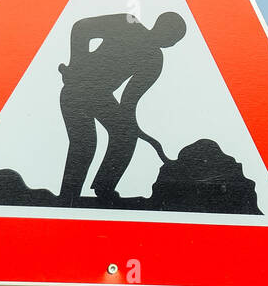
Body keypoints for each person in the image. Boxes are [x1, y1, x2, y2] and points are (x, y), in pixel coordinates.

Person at [57, 11, 186, 205]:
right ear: (161, 26)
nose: (170, 43)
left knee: (125, 135)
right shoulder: (129, 23)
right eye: (172, 37)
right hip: (76, 90)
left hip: (100, 97)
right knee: (85, 143)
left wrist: (134, 128)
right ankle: (68, 196)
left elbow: (128, 103)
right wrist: (77, 63)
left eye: (174, 41)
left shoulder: (154, 61)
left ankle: (104, 187)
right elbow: (81, 28)